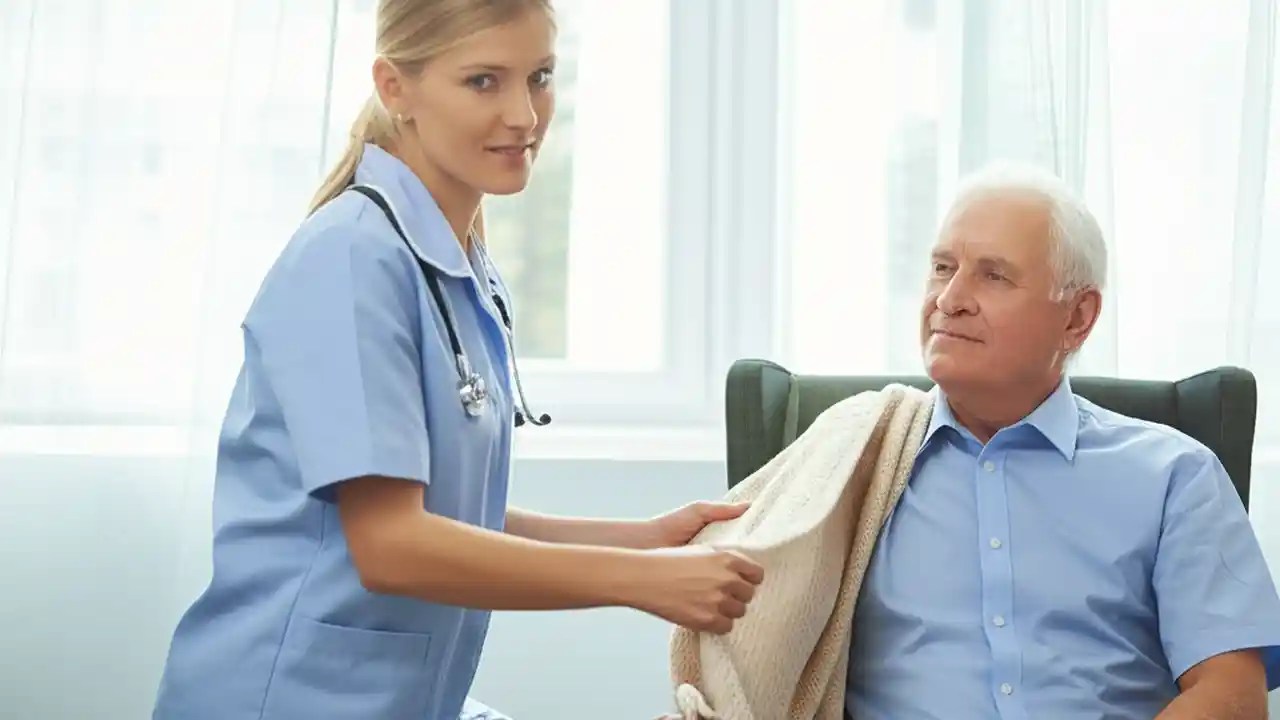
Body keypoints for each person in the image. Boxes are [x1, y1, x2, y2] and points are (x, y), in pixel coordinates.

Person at [150, 2, 763, 719]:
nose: (525, 116)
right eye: (482, 81)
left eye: (539, 77)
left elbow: (445, 509)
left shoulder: (455, 262)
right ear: (395, 87)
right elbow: (392, 543)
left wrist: (646, 542)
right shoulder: (352, 258)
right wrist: (639, 582)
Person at [843, 162, 1280, 719]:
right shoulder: (854, 461)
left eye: (993, 276)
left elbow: (1231, 694)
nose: (949, 299)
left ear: (1077, 317)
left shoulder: (1175, 476)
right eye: (942, 268)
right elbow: (759, 621)